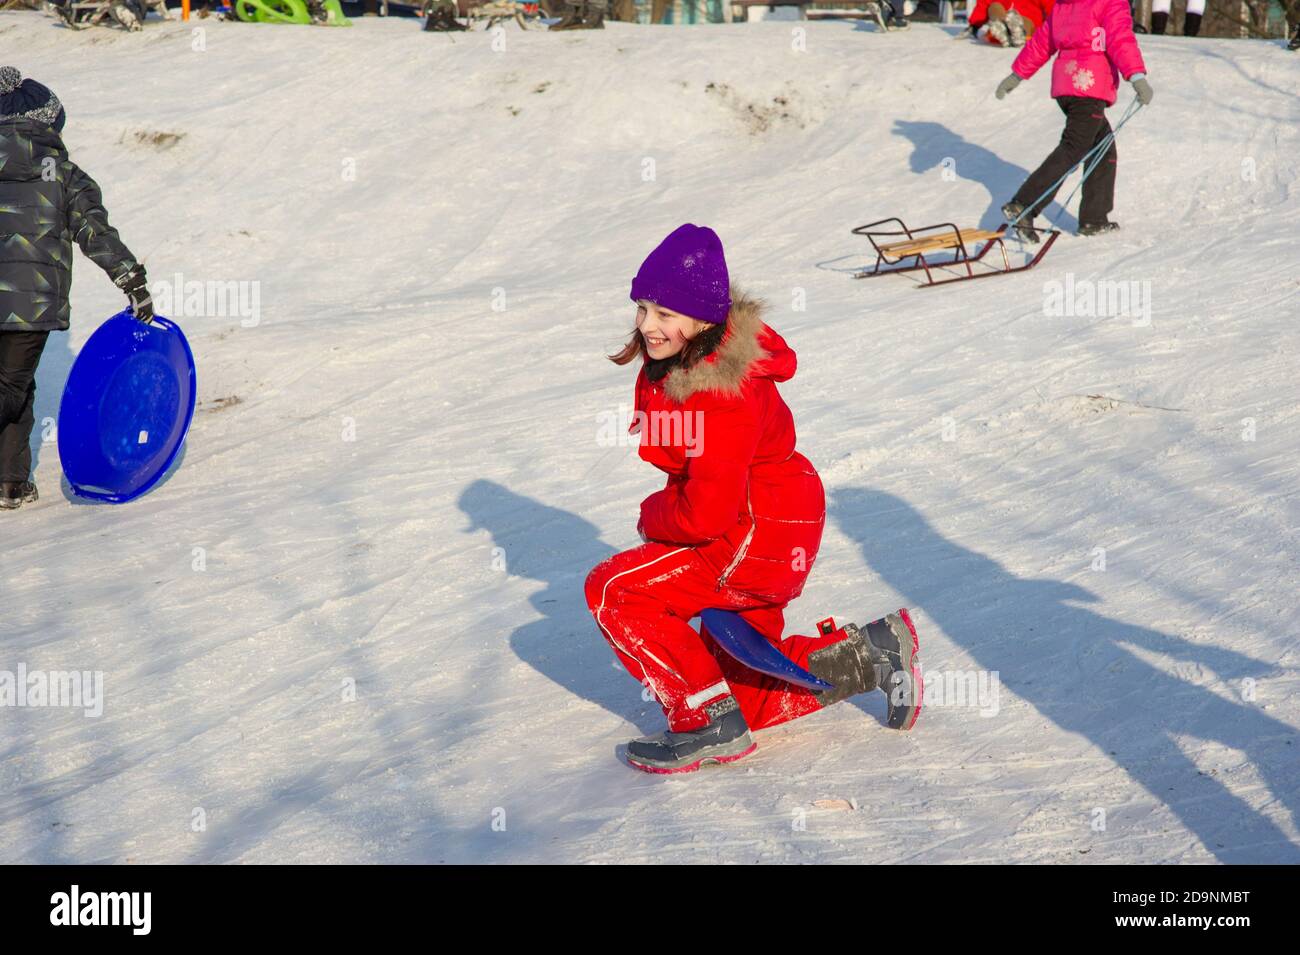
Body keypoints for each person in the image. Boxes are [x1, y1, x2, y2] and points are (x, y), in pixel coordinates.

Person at [583, 224, 923, 773]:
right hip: (772, 523)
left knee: (616, 591)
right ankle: (872, 655)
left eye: (665, 313)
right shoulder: (687, 360)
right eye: (643, 308)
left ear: (704, 320)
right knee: (746, 697)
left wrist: (653, 515)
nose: (647, 324)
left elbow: (705, 513)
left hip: (752, 530)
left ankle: (706, 724)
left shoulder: (721, 389)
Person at [0, 67, 150, 511]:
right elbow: (96, 234)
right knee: (12, 383)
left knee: (14, 388)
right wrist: (132, 281)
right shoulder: (64, 175)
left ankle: (9, 480)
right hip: (31, 303)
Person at [994, 0, 1154, 240]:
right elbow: (1120, 38)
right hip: (1088, 86)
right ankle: (1024, 205)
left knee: (1103, 149)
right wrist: (1137, 76)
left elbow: (1041, 42)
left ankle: (1094, 218)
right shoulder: (1109, 3)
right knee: (1073, 148)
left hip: (1067, 87)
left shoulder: (1064, 5)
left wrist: (1017, 75)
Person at [968, 0, 1053, 46]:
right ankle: (1002, 27)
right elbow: (984, 3)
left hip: (1029, 28)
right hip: (998, 31)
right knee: (995, 6)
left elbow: (1052, 8)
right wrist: (975, 24)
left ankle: (1017, 31)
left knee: (1025, 21)